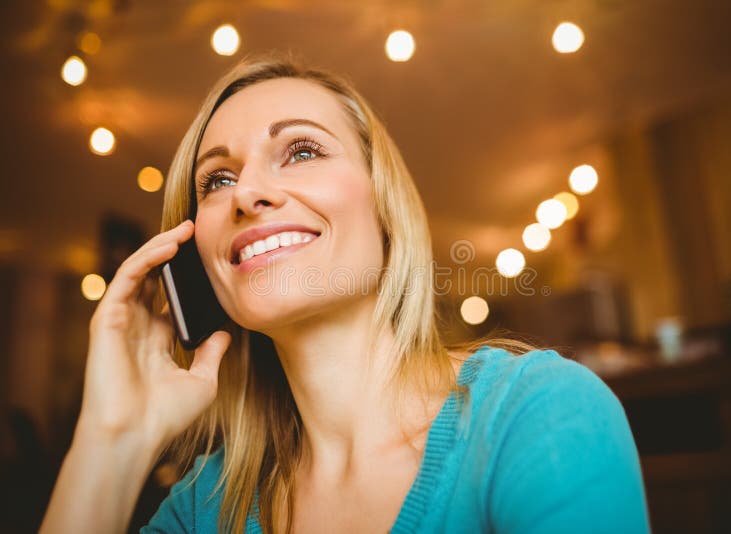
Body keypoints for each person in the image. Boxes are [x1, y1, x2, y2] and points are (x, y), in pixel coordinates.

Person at [40, 54, 651, 533]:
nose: (247, 193)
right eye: (217, 179)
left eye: (301, 151)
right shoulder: (204, 509)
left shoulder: (536, 414)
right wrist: (112, 441)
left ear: (385, 208)